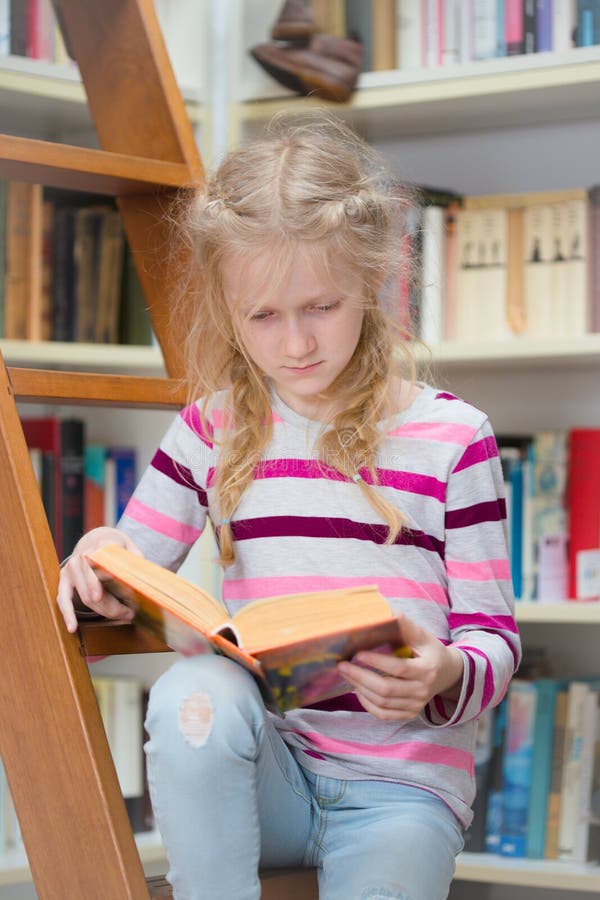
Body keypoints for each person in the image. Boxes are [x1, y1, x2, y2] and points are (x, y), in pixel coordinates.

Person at [57, 115, 521, 900]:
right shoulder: (211, 429)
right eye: (262, 317)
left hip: (400, 794)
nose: (295, 344)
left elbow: (493, 640)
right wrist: (97, 565)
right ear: (227, 307)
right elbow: (124, 598)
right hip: (265, 776)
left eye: (321, 307)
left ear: (373, 280)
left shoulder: (452, 438)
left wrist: (442, 670)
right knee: (188, 691)